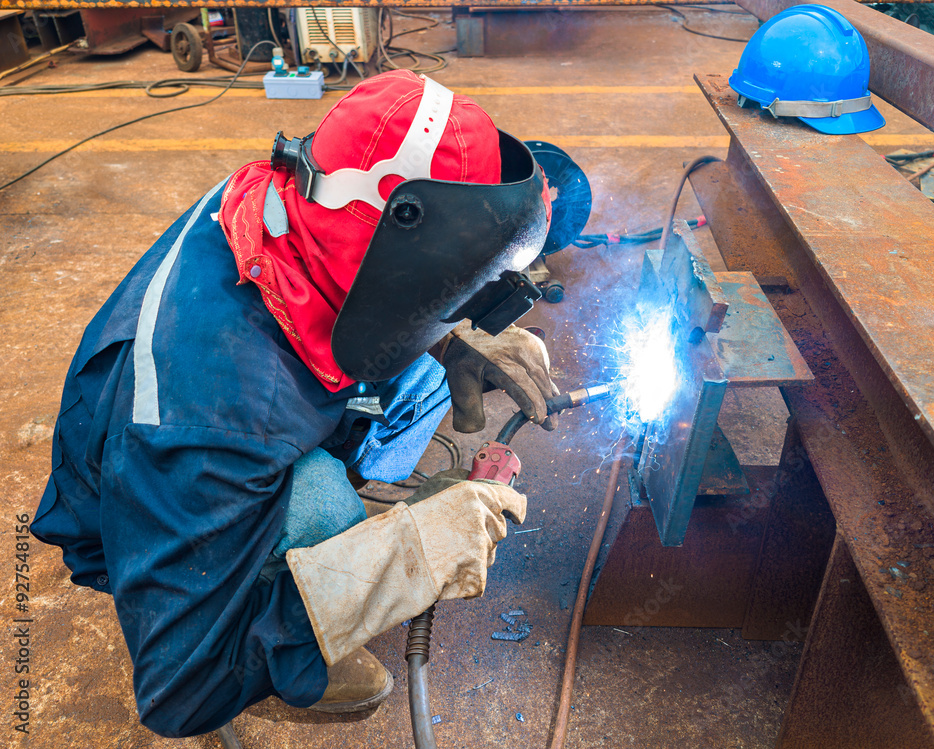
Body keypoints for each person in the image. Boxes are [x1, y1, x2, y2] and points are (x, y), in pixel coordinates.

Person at [30, 70, 559, 738]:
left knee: (421, 385)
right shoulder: (215, 419)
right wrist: (406, 559)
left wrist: (452, 335)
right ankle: (282, 627)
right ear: (398, 234)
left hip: (225, 420)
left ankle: (314, 551)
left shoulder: (302, 197)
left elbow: (365, 269)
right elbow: (178, 692)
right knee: (323, 505)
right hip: (154, 499)